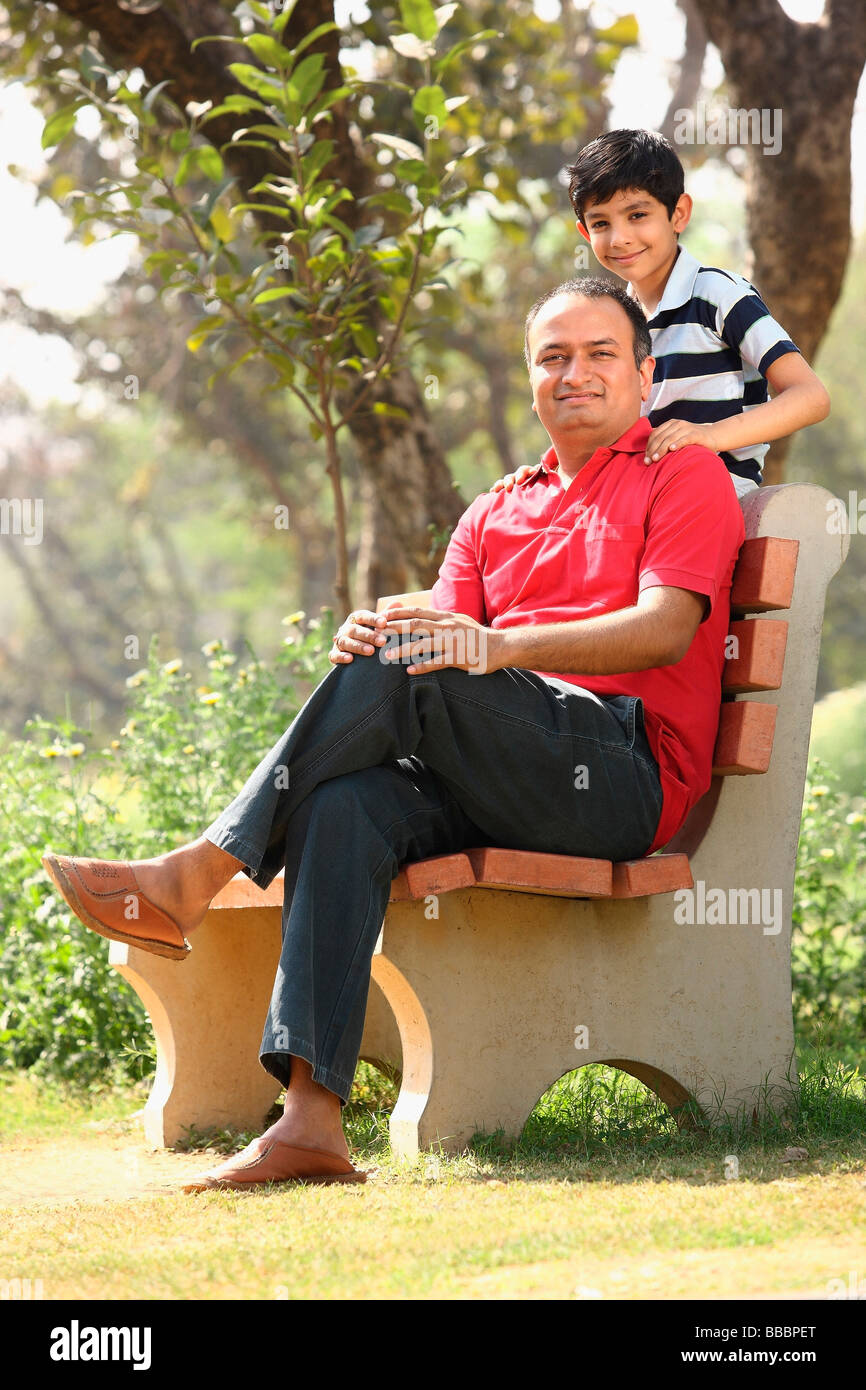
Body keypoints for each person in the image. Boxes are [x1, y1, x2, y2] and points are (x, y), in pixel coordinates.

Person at [42, 278, 744, 1193]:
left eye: (600, 354)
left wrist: (490, 646)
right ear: (531, 379)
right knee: (347, 802)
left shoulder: (680, 472)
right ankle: (311, 1122)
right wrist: (373, 642)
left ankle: (197, 875)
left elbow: (664, 628)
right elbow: (428, 658)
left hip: (621, 774)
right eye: (552, 357)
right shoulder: (497, 508)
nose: (574, 374)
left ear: (645, 375)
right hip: (503, 768)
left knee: (409, 657)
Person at [494, 128, 829, 499]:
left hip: (714, 495)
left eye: (637, 215)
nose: (619, 237)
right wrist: (551, 475)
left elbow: (810, 397)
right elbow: (612, 432)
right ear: (585, 233)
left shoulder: (719, 295)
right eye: (601, 223)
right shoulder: (615, 322)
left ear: (679, 214)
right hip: (637, 494)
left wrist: (710, 436)